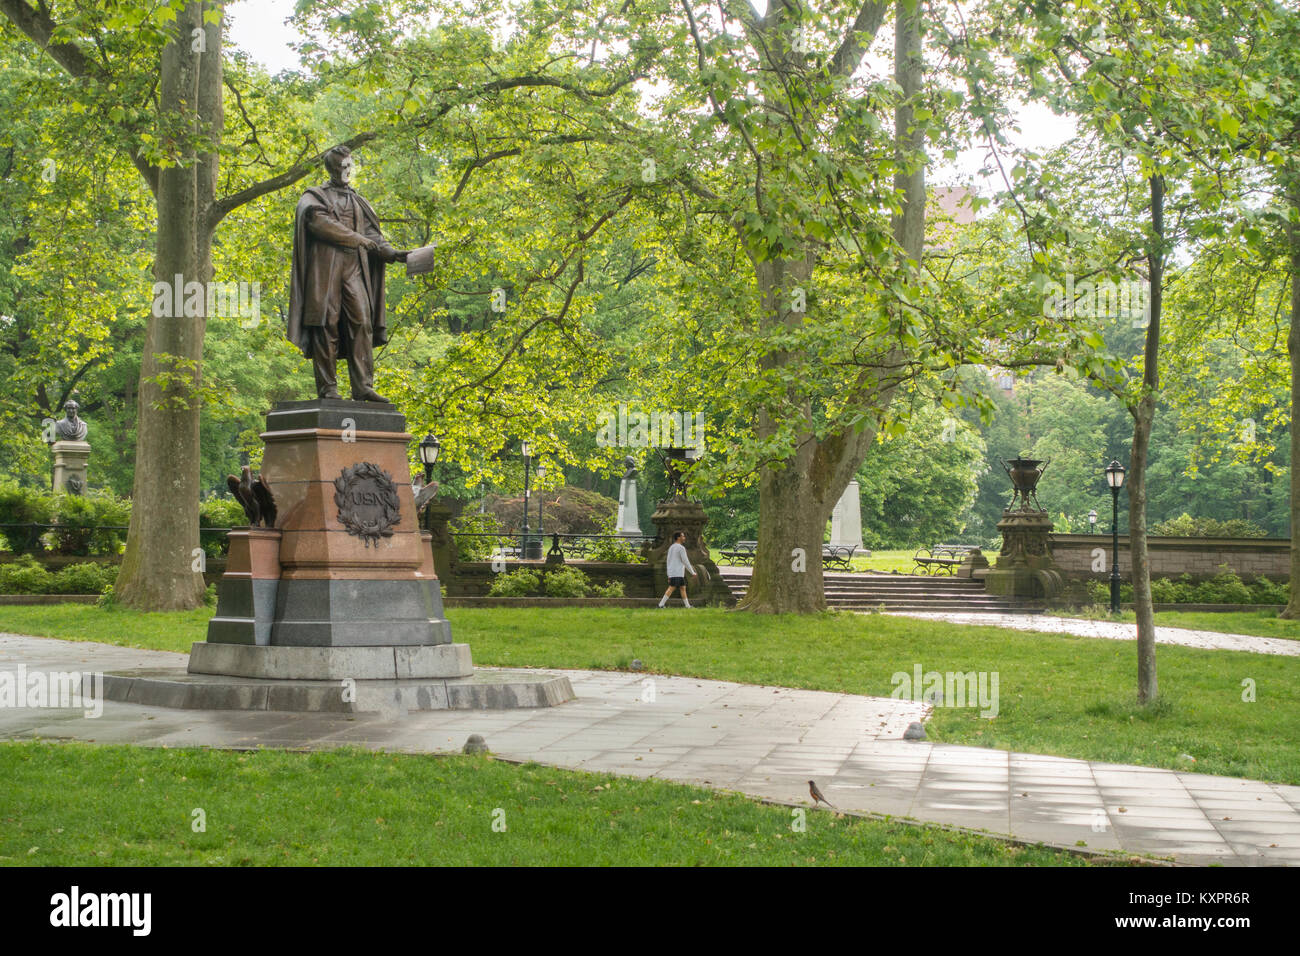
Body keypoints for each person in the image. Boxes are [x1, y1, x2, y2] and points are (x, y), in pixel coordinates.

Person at [286, 145, 409, 402]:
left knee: (362, 322)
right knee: (325, 325)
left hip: (354, 269)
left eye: (349, 166)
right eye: (342, 167)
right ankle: (328, 388)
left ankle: (363, 386)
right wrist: (356, 238)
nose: (346, 171)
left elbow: (372, 235)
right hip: (325, 271)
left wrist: (391, 252)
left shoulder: (357, 200)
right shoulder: (315, 197)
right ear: (331, 168)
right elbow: (319, 223)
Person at [659, 530, 697, 608]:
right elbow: (685, 561)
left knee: (682, 588)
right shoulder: (681, 548)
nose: (684, 537)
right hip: (677, 572)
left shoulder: (671, 547)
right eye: (683, 536)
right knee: (671, 588)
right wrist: (692, 572)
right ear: (678, 537)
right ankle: (661, 604)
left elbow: (668, 561)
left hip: (675, 572)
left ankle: (687, 606)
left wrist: (669, 574)